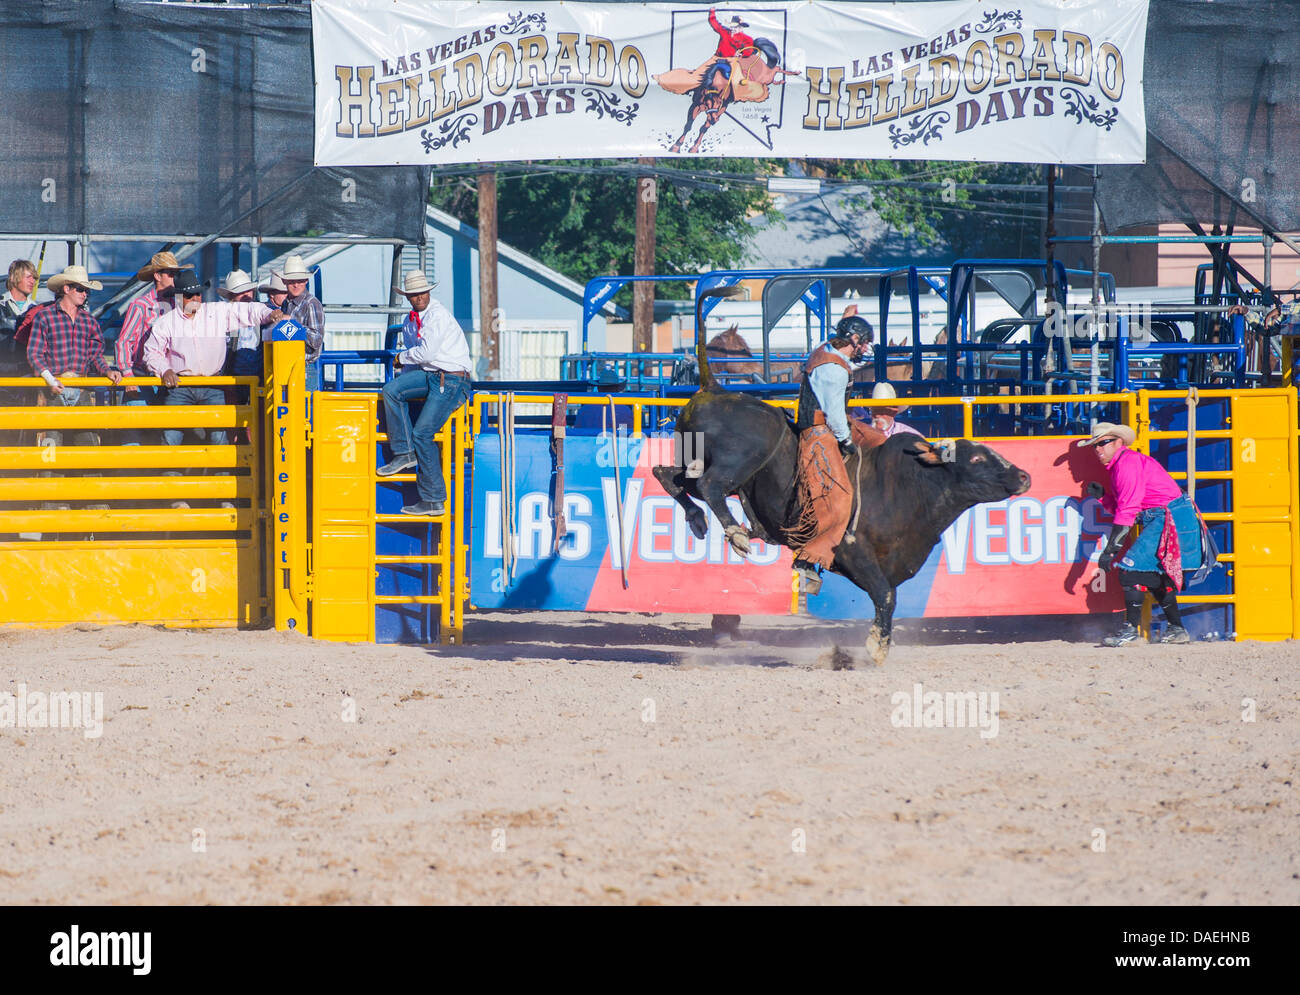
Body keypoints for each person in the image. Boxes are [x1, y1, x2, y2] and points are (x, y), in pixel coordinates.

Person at [144, 270, 283, 505]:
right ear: (179, 297)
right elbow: (152, 352)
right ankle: (174, 497)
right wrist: (164, 369)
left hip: (212, 382)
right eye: (190, 296)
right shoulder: (166, 322)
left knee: (219, 438)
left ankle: (222, 496)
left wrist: (270, 313)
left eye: (198, 294)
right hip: (181, 383)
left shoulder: (215, 313)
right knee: (171, 438)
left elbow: (247, 310)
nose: (195, 299)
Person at [1081, 422, 1203, 646]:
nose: (1098, 449)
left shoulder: (1126, 465)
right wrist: (1104, 499)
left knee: (1130, 571)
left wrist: (1111, 551)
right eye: (1095, 445)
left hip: (1167, 518)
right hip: (1170, 517)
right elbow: (1131, 507)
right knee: (1152, 575)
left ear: (1119, 442)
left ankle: (1131, 632)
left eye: (1103, 443)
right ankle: (1176, 629)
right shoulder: (1126, 464)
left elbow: (1128, 511)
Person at [376, 270, 473, 516]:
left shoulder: (437, 316)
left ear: (428, 292)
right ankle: (404, 452)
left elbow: (425, 354)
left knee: (422, 433)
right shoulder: (411, 321)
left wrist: (400, 358)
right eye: (413, 294)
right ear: (408, 297)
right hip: (432, 375)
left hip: (452, 379)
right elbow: (417, 358)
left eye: (422, 292)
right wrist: (404, 370)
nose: (418, 297)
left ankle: (434, 498)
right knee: (392, 390)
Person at [789, 313, 873, 591]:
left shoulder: (826, 351)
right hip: (818, 430)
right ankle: (808, 559)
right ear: (855, 339)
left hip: (820, 422)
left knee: (876, 439)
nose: (866, 348)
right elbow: (835, 415)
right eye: (864, 343)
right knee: (840, 496)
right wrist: (846, 440)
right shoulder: (836, 369)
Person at [26, 264, 123, 437]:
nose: (85, 294)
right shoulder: (45, 316)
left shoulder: (89, 321)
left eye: (86, 290)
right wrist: (50, 379)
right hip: (53, 389)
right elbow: (34, 353)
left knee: (88, 444)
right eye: (80, 289)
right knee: (52, 446)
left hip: (80, 387)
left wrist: (107, 370)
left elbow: (95, 356)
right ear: (66, 289)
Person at [117, 251, 192, 443]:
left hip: (170, 379)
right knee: (136, 432)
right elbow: (124, 341)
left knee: (165, 434)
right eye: (171, 274)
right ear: (157, 276)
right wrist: (128, 376)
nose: (175, 279)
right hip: (142, 378)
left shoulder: (178, 306)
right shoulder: (140, 305)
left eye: (176, 274)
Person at [274, 255, 324, 391]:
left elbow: (316, 340)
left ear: (306, 281)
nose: (296, 285)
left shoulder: (312, 303)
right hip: (286, 366)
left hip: (304, 367)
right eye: (291, 281)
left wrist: (293, 324)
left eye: (300, 281)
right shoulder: (286, 303)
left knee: (303, 410)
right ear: (284, 281)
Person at [1, 259, 40, 405]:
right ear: (15, 277)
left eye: (35, 278)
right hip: (2, 377)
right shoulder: (1, 304)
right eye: (28, 277)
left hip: (28, 376)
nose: (33, 281)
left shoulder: (38, 310)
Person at [218, 269, 262, 379]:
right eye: (240, 292)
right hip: (234, 378)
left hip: (260, 376)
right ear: (232, 297)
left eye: (248, 290)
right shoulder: (224, 319)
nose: (246, 295)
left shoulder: (263, 314)